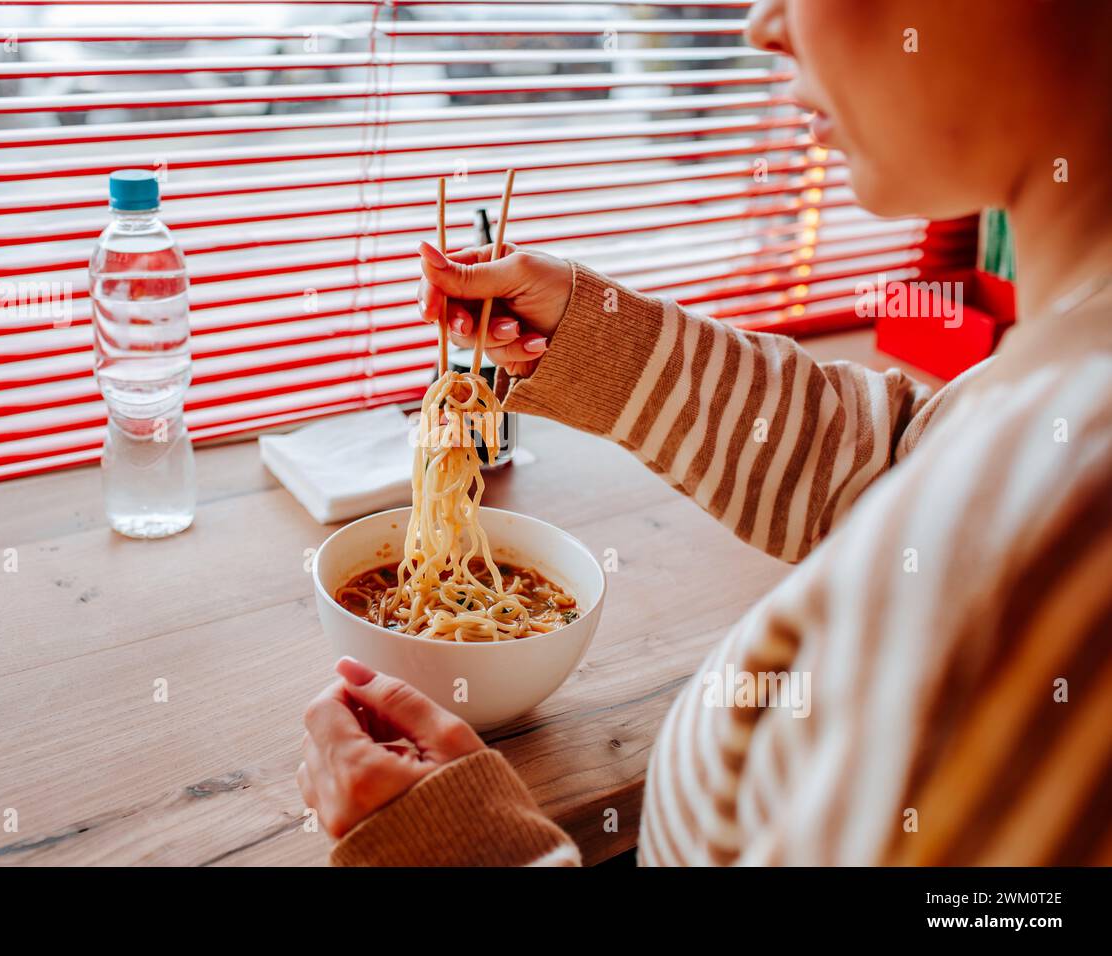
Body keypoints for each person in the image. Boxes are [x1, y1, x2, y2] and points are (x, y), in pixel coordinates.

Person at [296, 0, 1112, 865]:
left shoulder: (1061, 546)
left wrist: (461, 847)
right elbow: (903, 462)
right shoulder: (1067, 363)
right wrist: (600, 340)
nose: (763, 23)